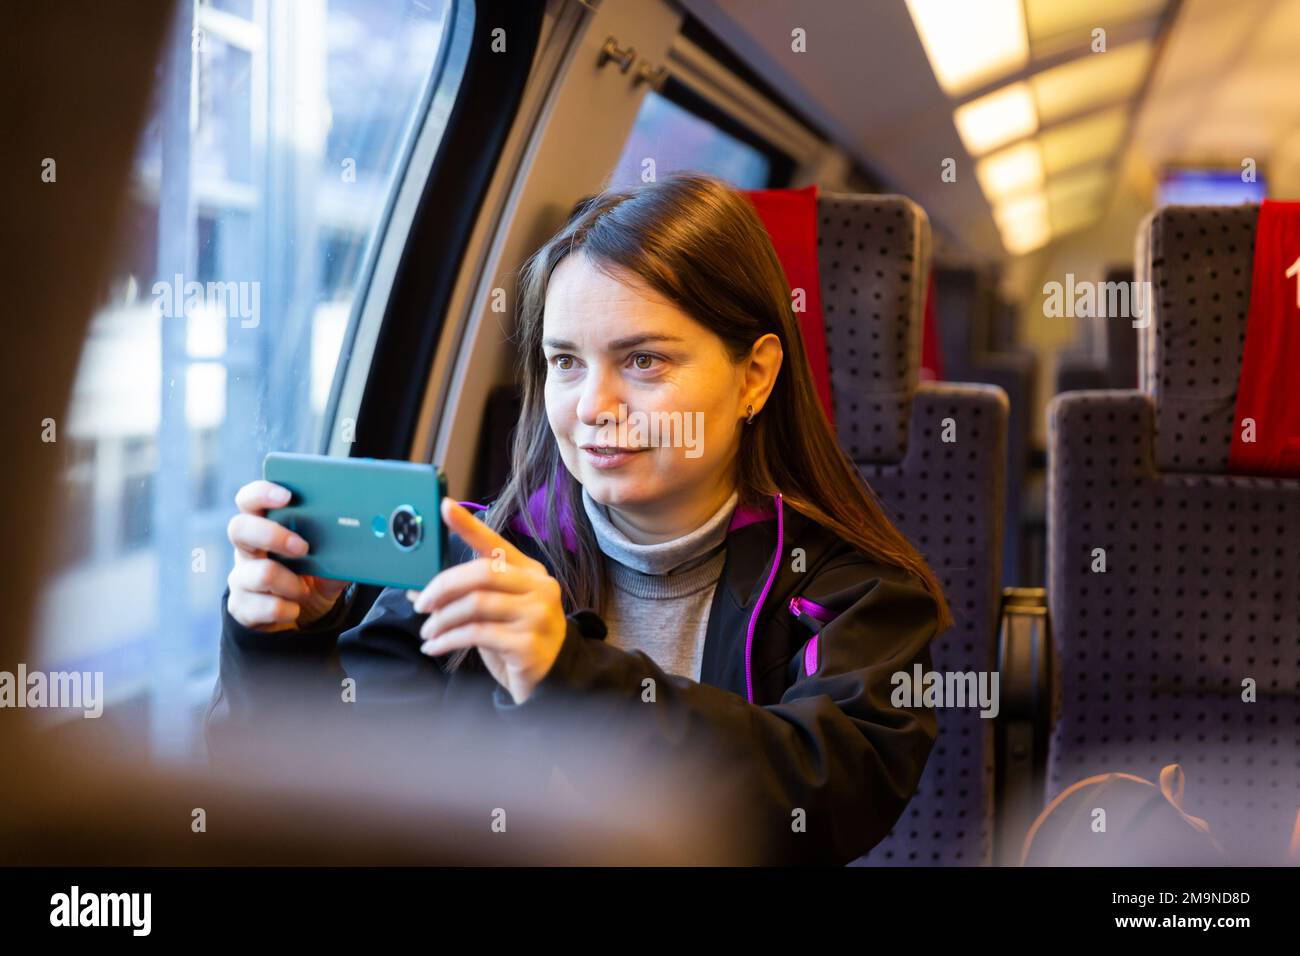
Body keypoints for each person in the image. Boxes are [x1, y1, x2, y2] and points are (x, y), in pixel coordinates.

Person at [209, 172, 952, 865]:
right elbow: (318, 805)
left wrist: (567, 674)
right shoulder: (471, 559)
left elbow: (826, 797)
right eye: (565, 361)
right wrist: (279, 647)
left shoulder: (852, 590)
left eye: (644, 362)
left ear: (754, 376)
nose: (593, 408)